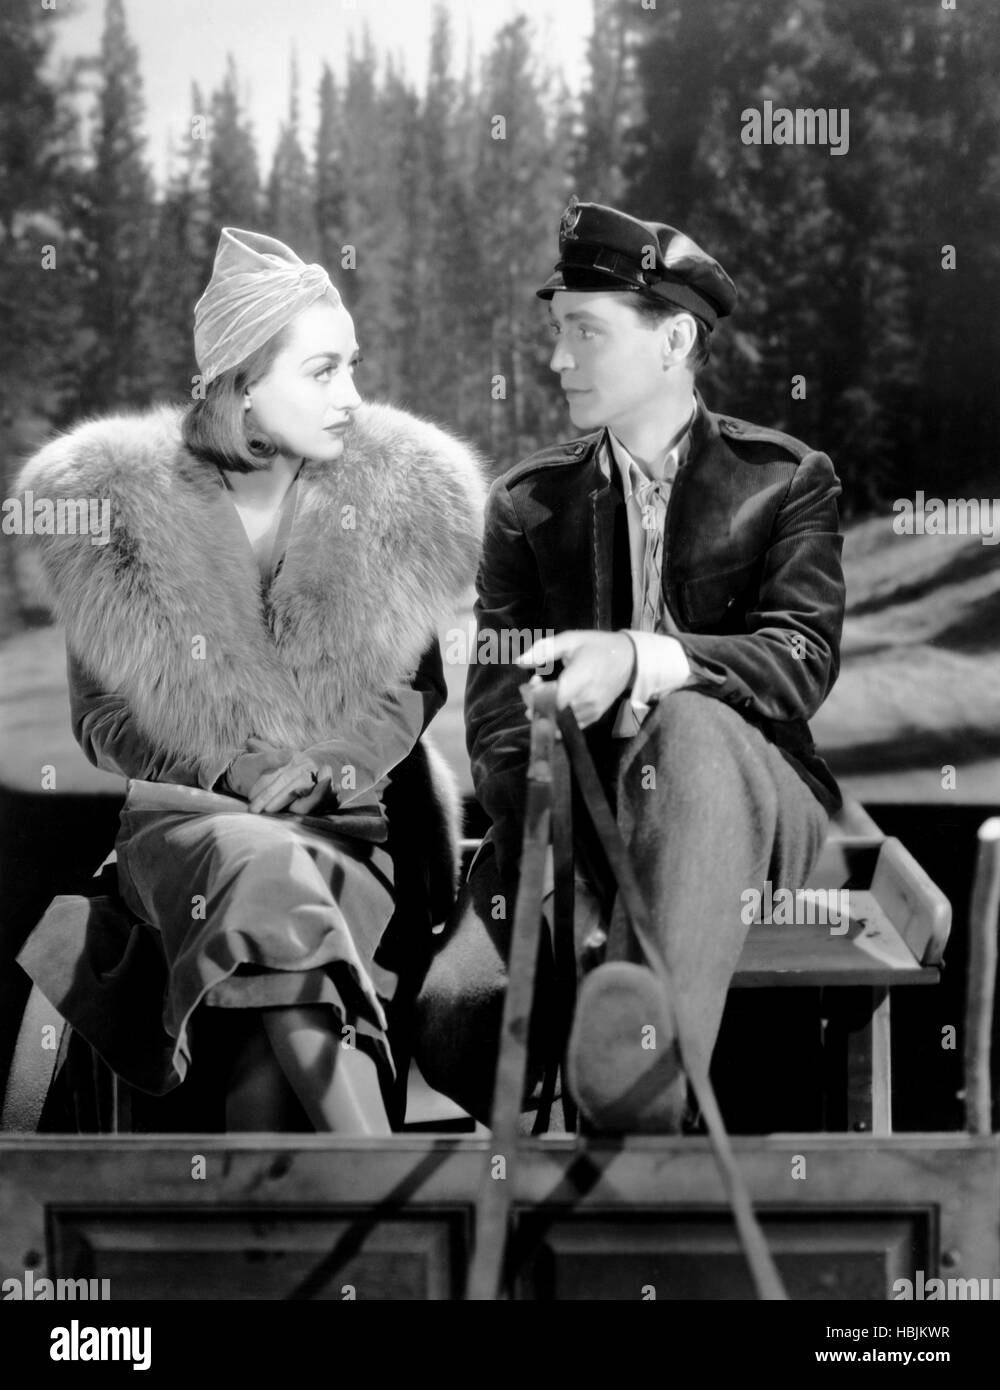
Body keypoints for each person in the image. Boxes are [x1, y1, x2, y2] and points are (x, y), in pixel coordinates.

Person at [16, 228, 485, 1134]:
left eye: (353, 366)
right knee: (254, 860)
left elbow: (411, 689)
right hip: (190, 829)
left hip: (348, 829)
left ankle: (288, 1239)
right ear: (240, 383)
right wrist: (231, 770)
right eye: (321, 371)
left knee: (271, 1027)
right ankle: (382, 1182)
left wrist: (333, 770)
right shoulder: (118, 510)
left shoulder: (394, 499)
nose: (351, 395)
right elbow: (104, 720)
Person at [415, 198, 845, 1132]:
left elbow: (798, 661)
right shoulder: (527, 508)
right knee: (456, 1011)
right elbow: (492, 728)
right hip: (574, 824)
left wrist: (641, 658)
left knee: (687, 724)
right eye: (557, 331)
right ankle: (623, 1108)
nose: (559, 358)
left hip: (762, 811)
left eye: (585, 331)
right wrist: (568, 816)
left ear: (674, 339)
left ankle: (638, 1091)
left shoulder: (786, 481)